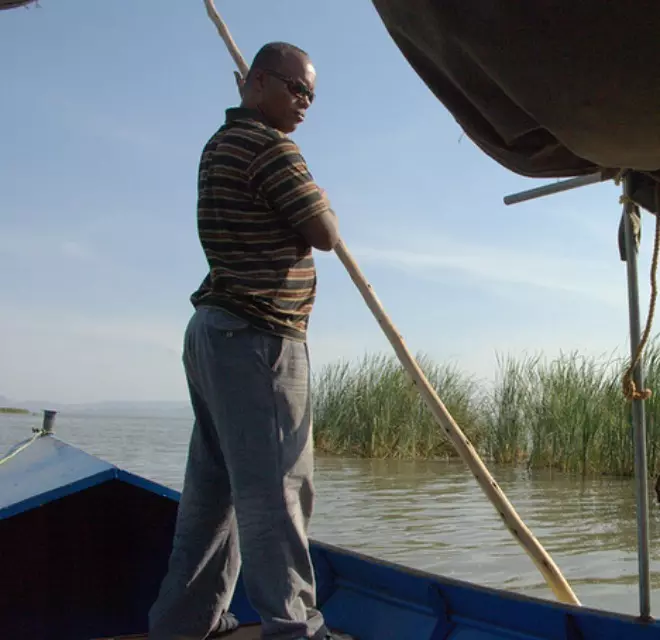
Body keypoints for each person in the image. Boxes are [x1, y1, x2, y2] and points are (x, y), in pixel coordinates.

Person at [147, 42, 342, 640]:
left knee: (214, 493)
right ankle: (295, 629)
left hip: (216, 332)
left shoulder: (221, 143)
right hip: (258, 340)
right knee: (277, 493)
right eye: (296, 88)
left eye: (312, 93)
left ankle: (185, 625)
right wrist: (313, 182)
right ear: (255, 83)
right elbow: (325, 231)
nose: (305, 102)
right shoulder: (268, 146)